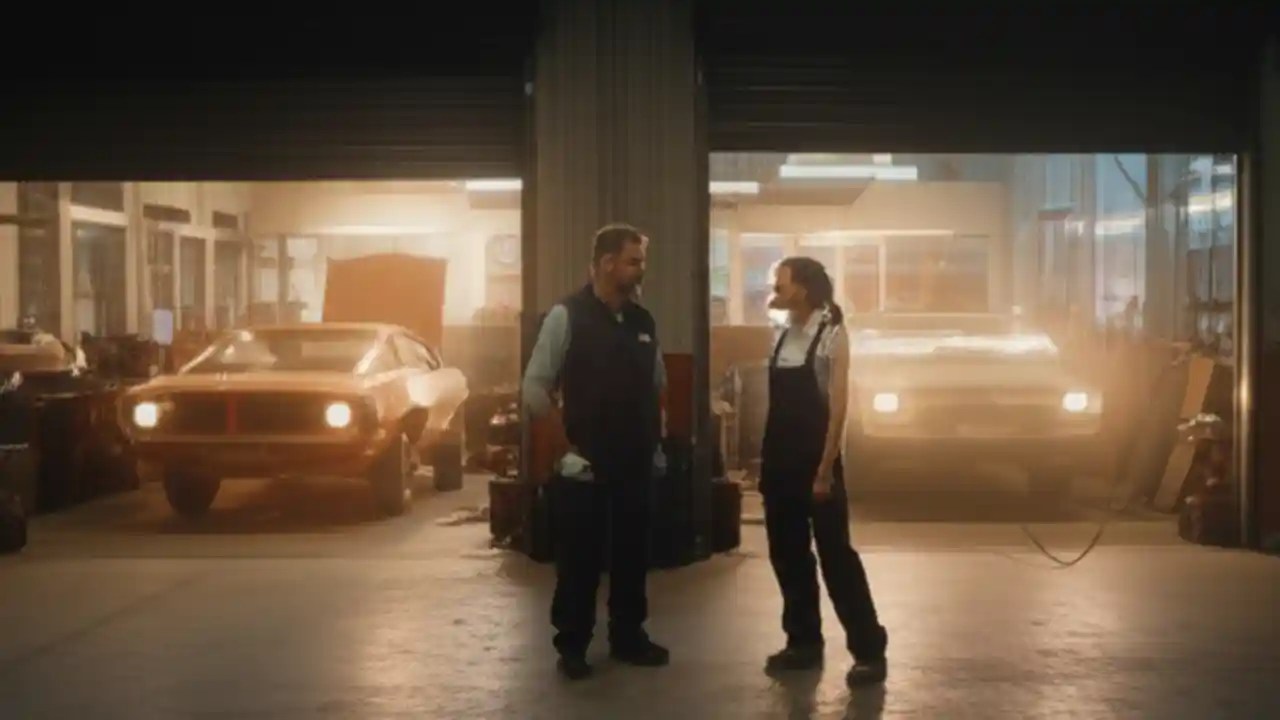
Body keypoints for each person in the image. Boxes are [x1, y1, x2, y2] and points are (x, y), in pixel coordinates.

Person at [522, 223, 670, 680]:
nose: (641, 269)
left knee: (631, 555)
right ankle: (573, 645)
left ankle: (629, 637)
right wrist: (563, 448)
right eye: (634, 260)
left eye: (641, 260)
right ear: (607, 263)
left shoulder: (643, 321)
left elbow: (658, 384)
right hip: (585, 463)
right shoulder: (567, 316)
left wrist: (658, 444)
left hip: (635, 460)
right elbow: (534, 387)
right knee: (580, 560)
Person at [759, 256, 888, 687]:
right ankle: (803, 643)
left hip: (815, 463)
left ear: (804, 288)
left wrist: (825, 469)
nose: (775, 288)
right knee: (788, 555)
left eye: (782, 282)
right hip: (778, 463)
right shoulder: (781, 335)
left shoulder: (832, 335)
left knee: (836, 557)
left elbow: (837, 409)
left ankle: (869, 649)